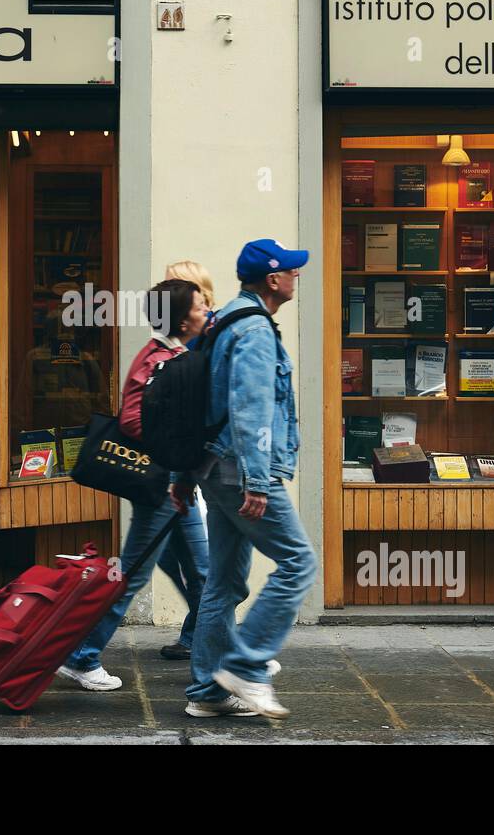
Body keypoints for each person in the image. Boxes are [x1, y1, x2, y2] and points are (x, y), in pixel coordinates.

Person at [172, 239, 318, 719]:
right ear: (273, 280)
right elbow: (249, 410)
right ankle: (247, 666)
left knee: (223, 583)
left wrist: (183, 475)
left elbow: (198, 404)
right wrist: (258, 482)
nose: (298, 277)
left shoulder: (224, 320)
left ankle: (207, 693)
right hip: (242, 474)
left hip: (214, 469)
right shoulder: (253, 329)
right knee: (298, 563)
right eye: (292, 272)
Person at [56, 279, 212, 691]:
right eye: (200, 306)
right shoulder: (158, 359)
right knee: (131, 575)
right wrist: (176, 453)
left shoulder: (173, 354)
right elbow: (131, 420)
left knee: (204, 573)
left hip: (177, 484)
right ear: (182, 318)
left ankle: (220, 652)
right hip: (161, 485)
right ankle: (82, 656)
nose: (206, 311)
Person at [153, 260, 218, 660]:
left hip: (186, 466)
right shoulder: (177, 339)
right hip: (172, 463)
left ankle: (212, 641)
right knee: (166, 556)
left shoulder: (202, 340)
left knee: (202, 565)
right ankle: (199, 631)